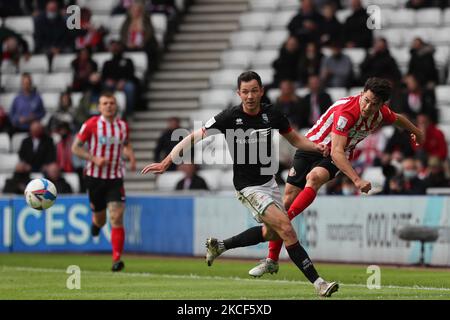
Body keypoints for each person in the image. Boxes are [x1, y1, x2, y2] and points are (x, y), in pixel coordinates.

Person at [141, 71, 339, 297]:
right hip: (248, 187)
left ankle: (221, 246)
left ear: (261, 91)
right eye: (245, 92)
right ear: (239, 93)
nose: (250, 96)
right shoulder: (228, 117)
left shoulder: (271, 114)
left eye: (254, 90)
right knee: (286, 229)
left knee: (274, 233)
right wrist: (168, 160)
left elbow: (295, 139)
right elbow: (193, 136)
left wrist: (317, 147)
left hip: (270, 182)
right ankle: (319, 283)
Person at [247, 77, 424, 278]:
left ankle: (283, 222)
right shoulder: (347, 112)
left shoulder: (380, 112)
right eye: (366, 100)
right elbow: (336, 152)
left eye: (374, 104)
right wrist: (357, 180)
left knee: (314, 178)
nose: (367, 107)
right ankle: (272, 260)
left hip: (334, 155)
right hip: (312, 147)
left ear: (382, 104)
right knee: (286, 201)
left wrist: (417, 132)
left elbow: (398, 118)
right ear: (362, 94)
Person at [71, 92, 136, 272]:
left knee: (116, 216)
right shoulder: (91, 124)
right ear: (99, 107)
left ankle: (117, 259)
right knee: (101, 218)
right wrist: (93, 158)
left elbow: (126, 143)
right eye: (105, 103)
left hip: (115, 178)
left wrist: (130, 155)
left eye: (111, 103)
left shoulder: (122, 126)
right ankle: (96, 224)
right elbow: (75, 148)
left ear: (116, 106)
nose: (108, 106)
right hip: (95, 179)